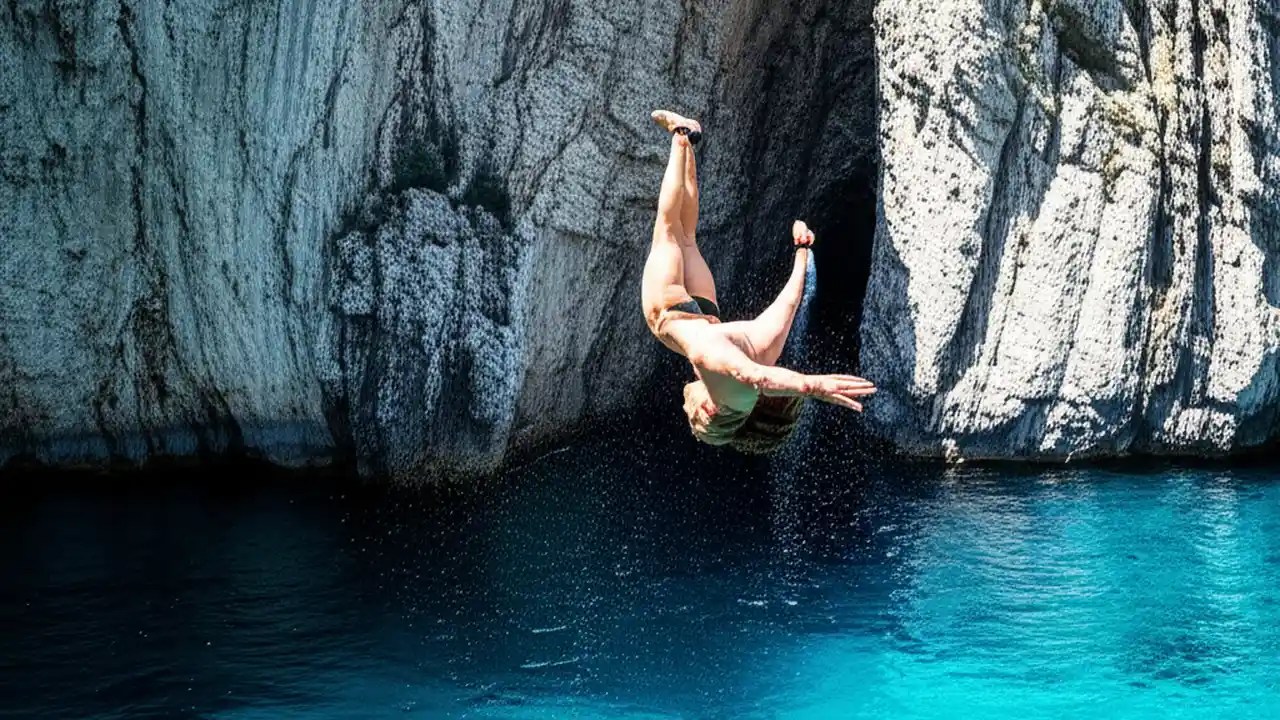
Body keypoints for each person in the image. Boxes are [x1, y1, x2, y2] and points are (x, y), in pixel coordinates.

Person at [641, 110, 877, 453]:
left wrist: (802, 251)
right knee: (668, 230)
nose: (683, 406)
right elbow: (757, 378)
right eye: (688, 413)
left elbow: (789, 305)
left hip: (706, 312)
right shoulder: (725, 373)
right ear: (709, 410)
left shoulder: (764, 351)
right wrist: (811, 385)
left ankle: (689, 140)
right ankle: (681, 136)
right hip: (670, 310)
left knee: (687, 236)